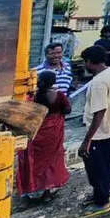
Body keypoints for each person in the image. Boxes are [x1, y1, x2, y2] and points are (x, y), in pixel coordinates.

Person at [78, 45, 110, 218]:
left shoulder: (98, 83)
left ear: (90, 62)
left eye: (85, 62)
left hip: (100, 131)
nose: (85, 66)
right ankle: (102, 192)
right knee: (104, 164)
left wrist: (87, 140)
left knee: (97, 167)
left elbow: (100, 112)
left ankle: (102, 201)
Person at [16, 70, 70, 202]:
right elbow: (67, 109)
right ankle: (47, 191)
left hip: (36, 131)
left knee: (34, 161)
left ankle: (31, 189)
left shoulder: (31, 97)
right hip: (53, 132)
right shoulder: (58, 96)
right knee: (52, 160)